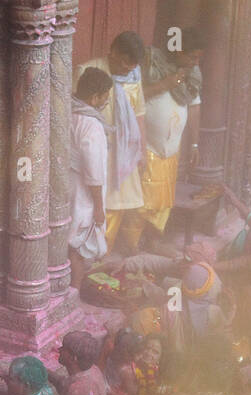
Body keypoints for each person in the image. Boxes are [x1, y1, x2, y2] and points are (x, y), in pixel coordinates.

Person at [78, 32, 147, 256]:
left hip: (124, 150)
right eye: (124, 62)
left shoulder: (134, 76)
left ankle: (112, 252)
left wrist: (142, 150)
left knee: (124, 203)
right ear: (113, 52)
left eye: (132, 65)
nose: (127, 68)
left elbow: (139, 113)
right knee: (95, 204)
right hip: (93, 149)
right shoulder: (87, 71)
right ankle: (93, 255)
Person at [138, 27, 205, 238]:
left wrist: (194, 144)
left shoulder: (192, 75)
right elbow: (133, 98)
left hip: (171, 151)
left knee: (163, 200)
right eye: (192, 56)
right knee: (142, 198)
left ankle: (153, 241)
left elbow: (194, 107)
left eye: (198, 57)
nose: (196, 62)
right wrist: (165, 84)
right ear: (179, 51)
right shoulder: (151, 65)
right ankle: (132, 243)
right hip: (145, 147)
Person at [70, 68, 114, 268]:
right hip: (83, 195)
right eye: (105, 98)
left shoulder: (66, 113)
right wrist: (98, 208)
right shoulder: (91, 125)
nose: (106, 103)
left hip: (64, 188)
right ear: (95, 98)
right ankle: (74, 293)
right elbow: (94, 173)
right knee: (78, 249)